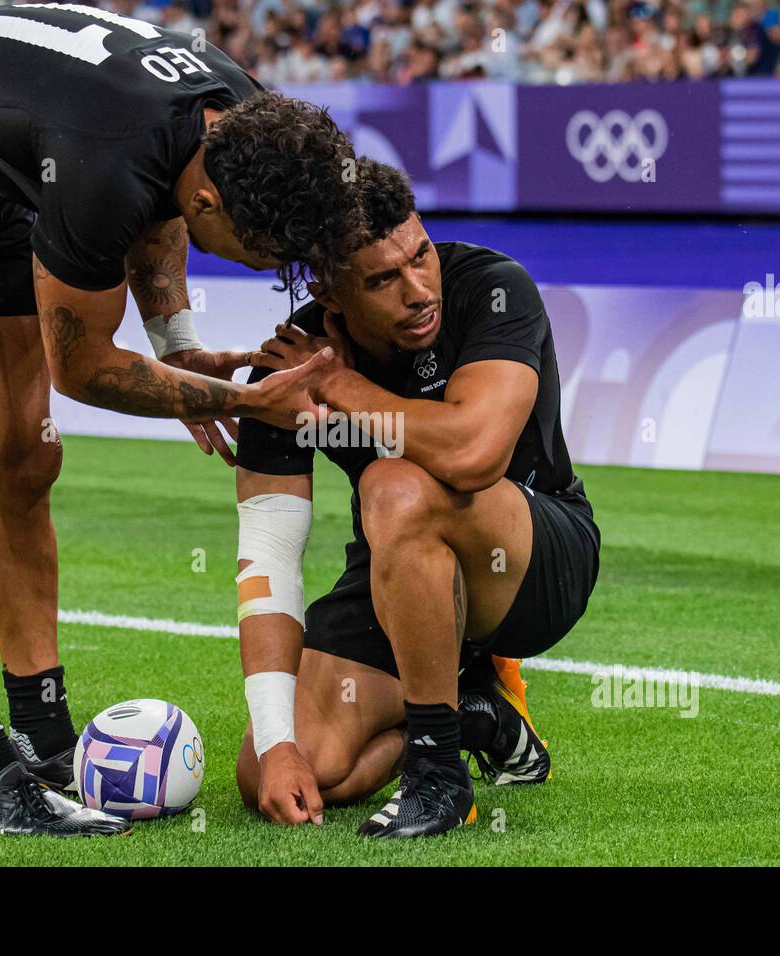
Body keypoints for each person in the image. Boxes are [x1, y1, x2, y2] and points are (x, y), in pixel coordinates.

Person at [0, 4, 358, 836]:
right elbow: (83, 365)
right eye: (262, 253)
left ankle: (44, 737)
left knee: (26, 460)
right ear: (213, 197)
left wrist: (177, 342)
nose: (274, 269)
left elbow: (164, 211)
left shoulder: (242, 118)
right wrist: (240, 400)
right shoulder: (109, 168)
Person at [231, 160, 600, 838]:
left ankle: (438, 777)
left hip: (533, 563)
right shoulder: (286, 368)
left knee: (395, 483)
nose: (418, 289)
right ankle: (475, 716)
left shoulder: (492, 289)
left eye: (420, 254)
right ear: (330, 293)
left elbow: (473, 452)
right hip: (398, 572)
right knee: (276, 770)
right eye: (382, 279)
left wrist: (345, 390)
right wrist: (279, 739)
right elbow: (268, 559)